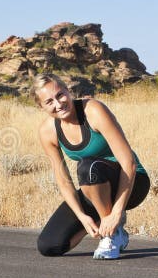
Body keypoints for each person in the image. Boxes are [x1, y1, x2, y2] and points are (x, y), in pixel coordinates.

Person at [33, 74, 150, 259]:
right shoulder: (47, 131)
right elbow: (63, 181)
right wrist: (81, 216)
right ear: (41, 107)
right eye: (49, 102)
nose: (58, 104)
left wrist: (116, 214)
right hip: (94, 187)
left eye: (60, 95)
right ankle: (103, 220)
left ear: (68, 91)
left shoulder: (93, 110)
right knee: (49, 246)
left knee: (87, 166)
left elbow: (129, 163)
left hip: (132, 183)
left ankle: (112, 234)